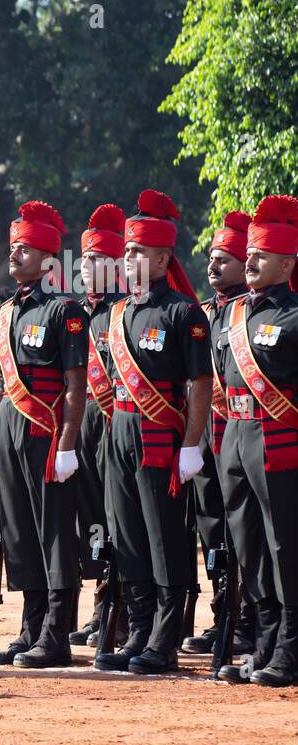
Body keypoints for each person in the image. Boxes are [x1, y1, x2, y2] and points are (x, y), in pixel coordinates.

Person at [94, 190, 211, 676]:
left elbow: (200, 382)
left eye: (138, 252)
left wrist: (191, 445)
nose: (128, 258)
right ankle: (138, 628)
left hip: (160, 435)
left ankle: (164, 638)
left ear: (163, 258)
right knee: (127, 536)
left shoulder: (183, 313)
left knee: (163, 536)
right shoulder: (120, 312)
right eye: (126, 251)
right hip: (119, 431)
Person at [0, 201, 88, 669]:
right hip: (9, 423)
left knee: (53, 531)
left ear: (48, 259)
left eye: (23, 248)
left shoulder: (64, 310)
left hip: (47, 431)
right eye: (12, 247)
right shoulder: (5, 312)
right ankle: (31, 627)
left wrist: (67, 444)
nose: (14, 254)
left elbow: (75, 386)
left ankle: (57, 633)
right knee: (20, 530)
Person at [216, 194, 298, 687]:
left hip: (279, 442)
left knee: (285, 547)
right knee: (250, 549)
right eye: (248, 253)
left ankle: (290, 649)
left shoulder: (294, 318)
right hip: (235, 439)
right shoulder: (230, 319)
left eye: (261, 255)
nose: (249, 261)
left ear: (287, 263)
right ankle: (266, 644)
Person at [182, 211, 260, 657]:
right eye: (211, 258)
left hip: (237, 435)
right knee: (212, 529)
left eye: (224, 258)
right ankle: (222, 613)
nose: (213, 266)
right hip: (205, 439)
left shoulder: (246, 311)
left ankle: (249, 619)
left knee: (243, 531)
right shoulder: (203, 312)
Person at [70, 204, 126, 647]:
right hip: (82, 422)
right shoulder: (74, 314)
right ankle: (98, 602)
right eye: (85, 259)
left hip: (114, 424)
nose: (88, 267)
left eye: (98, 260)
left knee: (116, 516)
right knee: (89, 519)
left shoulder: (124, 310)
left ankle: (120, 607)